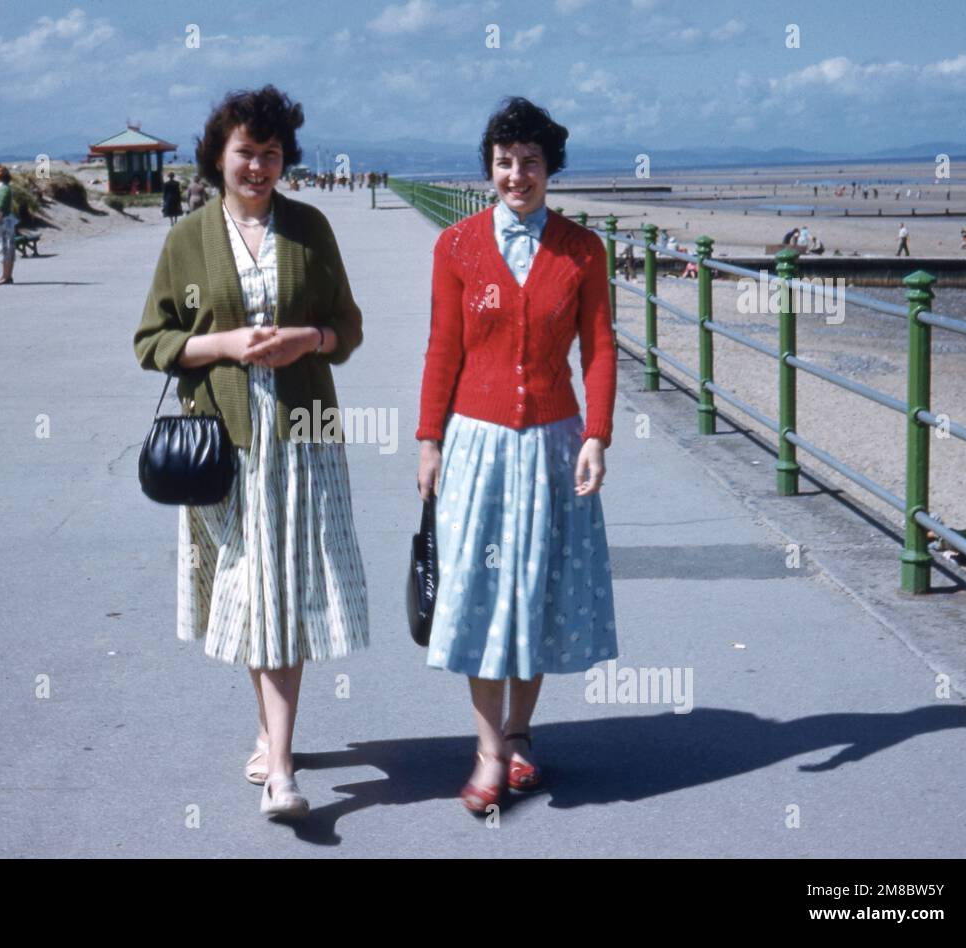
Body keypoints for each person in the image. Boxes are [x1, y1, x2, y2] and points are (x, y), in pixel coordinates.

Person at [134, 84, 369, 821]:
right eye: (246, 152)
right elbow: (153, 342)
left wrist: (310, 340)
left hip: (303, 433)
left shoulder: (310, 229)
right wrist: (226, 345)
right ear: (218, 156)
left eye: (270, 154)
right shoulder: (187, 239)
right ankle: (274, 735)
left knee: (284, 589)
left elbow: (348, 329)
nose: (258, 166)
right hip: (224, 439)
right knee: (250, 589)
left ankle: (282, 765)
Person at [416, 96, 617, 815]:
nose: (516, 174)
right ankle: (487, 750)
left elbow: (598, 347)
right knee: (477, 593)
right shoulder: (458, 247)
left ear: (549, 167)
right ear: (489, 167)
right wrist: (428, 440)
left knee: (534, 592)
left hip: (554, 443)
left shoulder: (582, 249)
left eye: (530, 162)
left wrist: (597, 434)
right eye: (504, 161)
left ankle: (523, 732)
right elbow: (443, 348)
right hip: (475, 440)